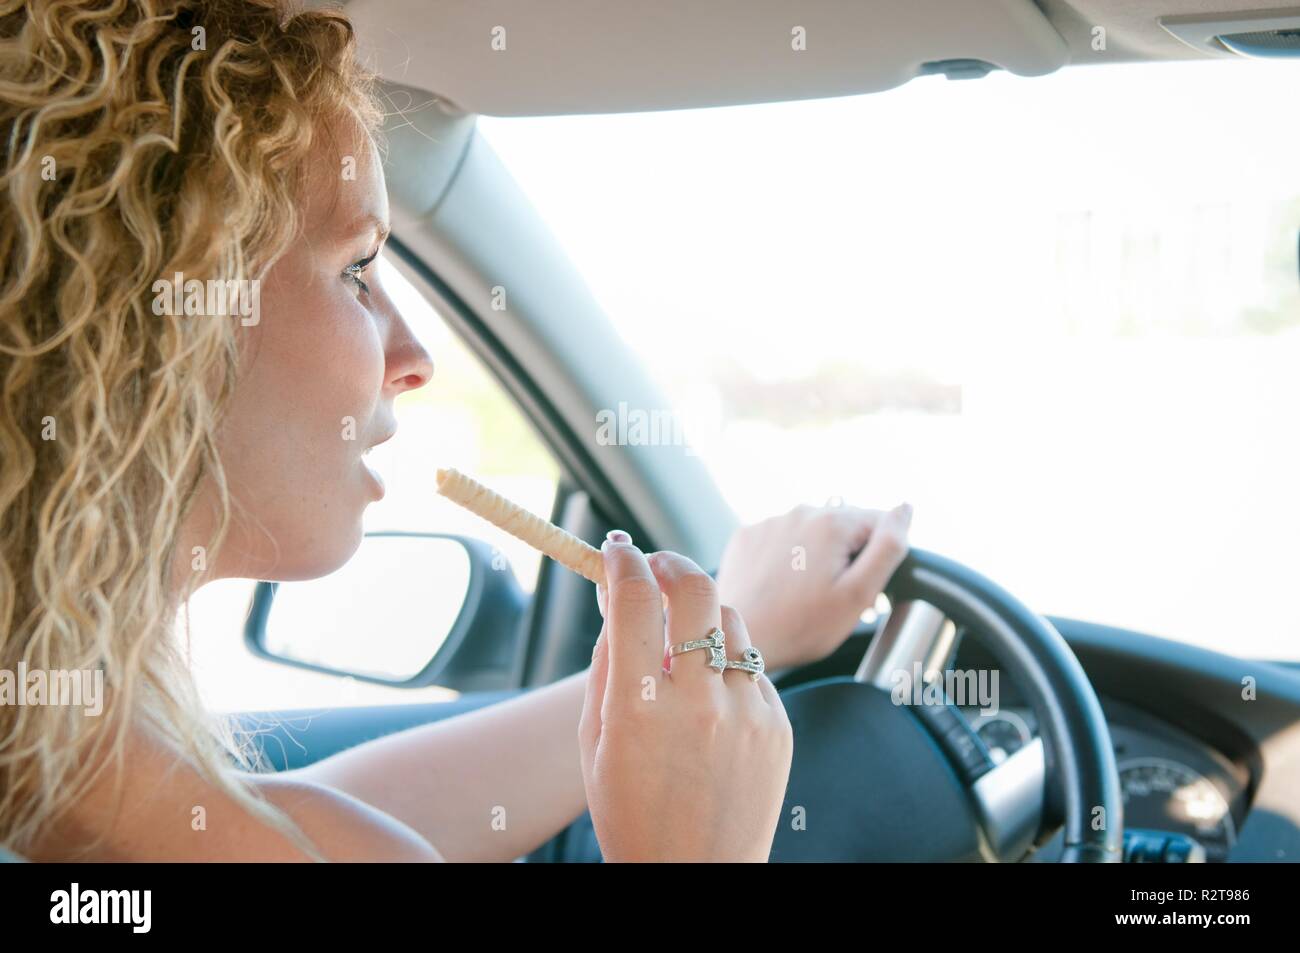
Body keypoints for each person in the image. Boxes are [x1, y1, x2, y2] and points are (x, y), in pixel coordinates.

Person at [0, 0, 911, 862]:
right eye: (358, 270)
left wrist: (740, 631)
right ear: (163, 323)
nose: (416, 355)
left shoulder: (56, 769)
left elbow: (298, 813)